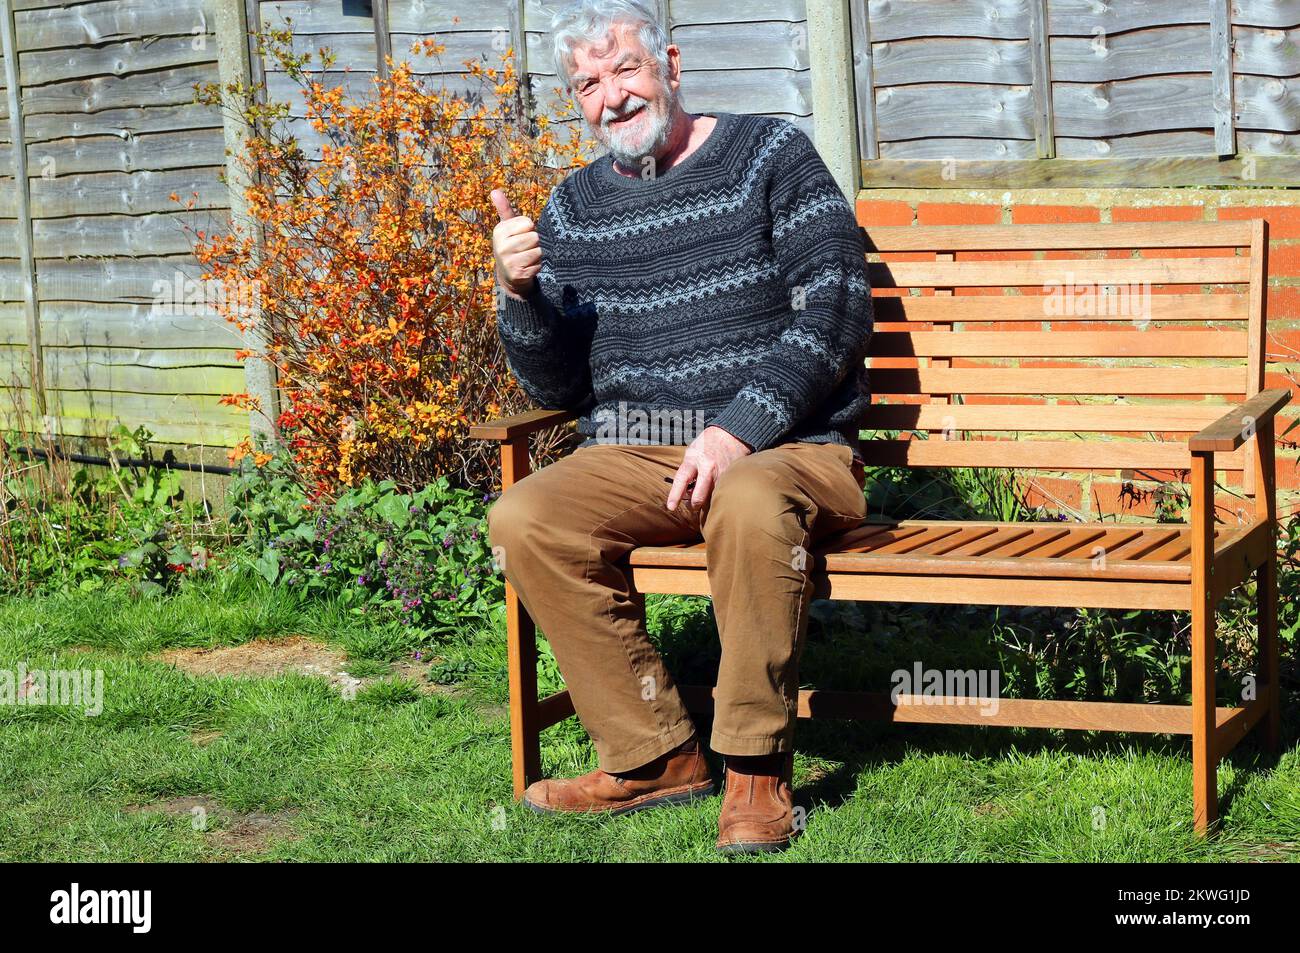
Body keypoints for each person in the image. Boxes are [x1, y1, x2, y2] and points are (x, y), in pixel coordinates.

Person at [487, 0, 873, 854]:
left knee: (746, 496)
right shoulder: (574, 208)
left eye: (624, 68)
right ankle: (655, 749)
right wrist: (517, 296)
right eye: (587, 83)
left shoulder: (771, 155)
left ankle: (754, 769)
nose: (612, 97)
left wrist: (737, 429)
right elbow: (556, 381)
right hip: (638, 451)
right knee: (524, 517)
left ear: (670, 61)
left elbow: (837, 311)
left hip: (792, 446)